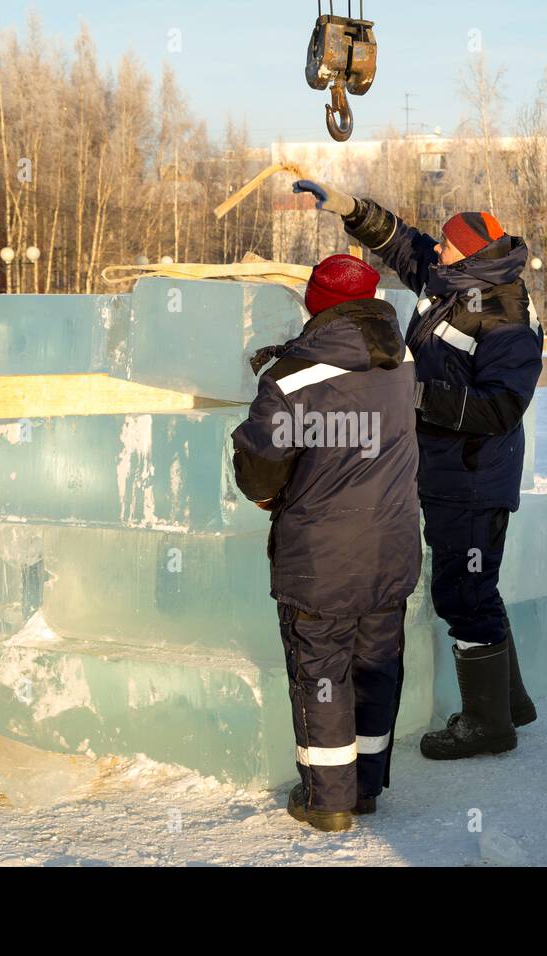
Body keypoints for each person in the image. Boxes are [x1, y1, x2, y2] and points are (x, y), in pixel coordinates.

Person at [293, 180, 543, 761]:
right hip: (449, 470)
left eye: (450, 249)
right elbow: (406, 246)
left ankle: (487, 724)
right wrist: (352, 210)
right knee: (474, 585)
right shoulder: (459, 280)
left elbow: (503, 406)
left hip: (474, 476)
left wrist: (413, 394)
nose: (440, 254)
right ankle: (511, 701)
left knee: (463, 593)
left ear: (474, 255)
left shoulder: (504, 313)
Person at [231, 254, 420, 832]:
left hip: (322, 557)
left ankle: (328, 800)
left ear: (316, 303)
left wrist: (265, 492)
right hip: (390, 544)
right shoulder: (403, 357)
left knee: (321, 670)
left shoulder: (290, 379)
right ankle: (364, 786)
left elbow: (261, 465)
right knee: (376, 665)